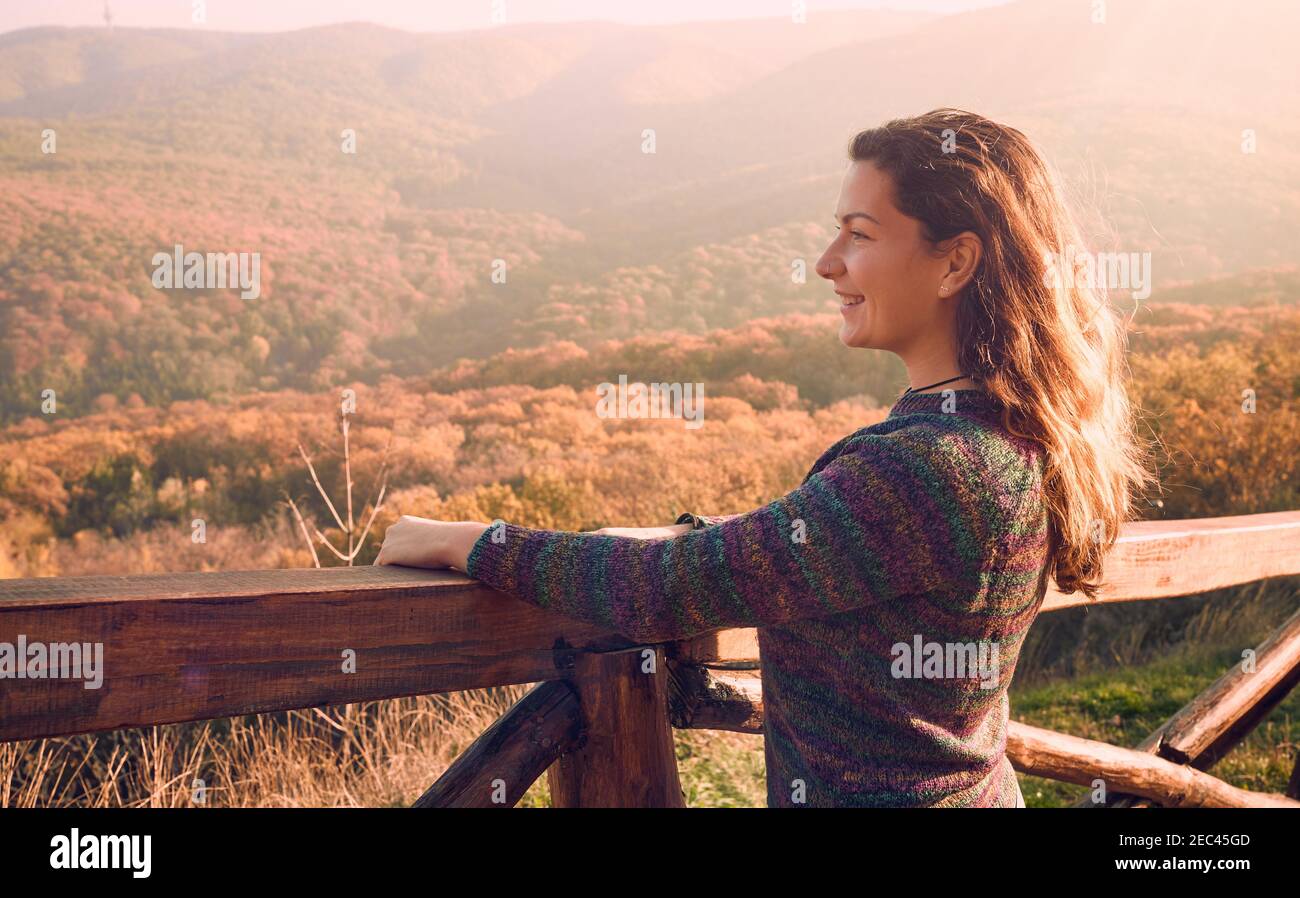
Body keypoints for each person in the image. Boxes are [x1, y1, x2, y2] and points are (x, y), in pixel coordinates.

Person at [375, 108, 1154, 807]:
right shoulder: (1006, 438)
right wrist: (704, 533)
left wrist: (464, 540)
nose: (826, 262)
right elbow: (823, 546)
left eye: (860, 233)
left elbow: (661, 591)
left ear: (954, 264)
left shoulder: (926, 467)